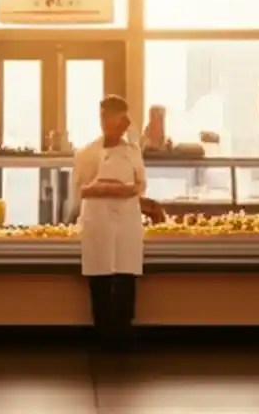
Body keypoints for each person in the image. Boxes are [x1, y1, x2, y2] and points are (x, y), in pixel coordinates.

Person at [70, 95, 147, 351]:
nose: (118, 126)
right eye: (109, 119)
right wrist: (105, 189)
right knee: (100, 275)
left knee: (126, 274)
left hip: (126, 220)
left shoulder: (133, 151)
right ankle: (102, 331)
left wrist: (127, 190)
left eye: (121, 121)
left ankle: (124, 330)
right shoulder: (87, 153)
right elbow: (80, 189)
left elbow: (141, 184)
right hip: (98, 221)